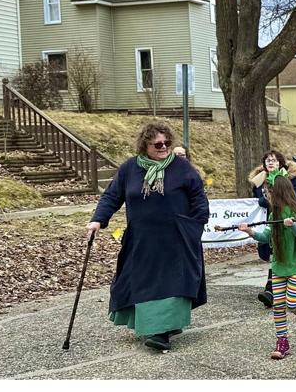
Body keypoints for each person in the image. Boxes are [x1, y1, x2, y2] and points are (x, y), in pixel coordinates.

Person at [87, 122, 209, 352]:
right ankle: (157, 325)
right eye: (157, 144)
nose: (164, 147)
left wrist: (195, 226)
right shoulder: (129, 169)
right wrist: (97, 220)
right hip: (142, 239)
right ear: (145, 145)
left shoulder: (182, 168)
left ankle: (161, 332)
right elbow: (112, 196)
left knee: (172, 281)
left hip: (177, 238)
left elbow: (199, 199)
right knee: (143, 281)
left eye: (167, 143)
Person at [237, 170, 296, 360]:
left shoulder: (295, 211)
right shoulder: (274, 215)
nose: (267, 195)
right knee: (278, 306)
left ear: (279, 192)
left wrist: (293, 225)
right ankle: (282, 341)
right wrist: (250, 232)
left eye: (269, 192)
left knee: (292, 303)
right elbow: (265, 236)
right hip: (279, 267)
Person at [248, 150, 296, 308]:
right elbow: (253, 203)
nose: (270, 163)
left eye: (273, 160)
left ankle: (271, 291)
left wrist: (276, 204)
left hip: (286, 223)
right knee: (271, 253)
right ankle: (275, 289)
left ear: (280, 163)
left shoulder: (289, 179)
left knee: (280, 252)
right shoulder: (260, 181)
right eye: (267, 160)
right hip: (267, 222)